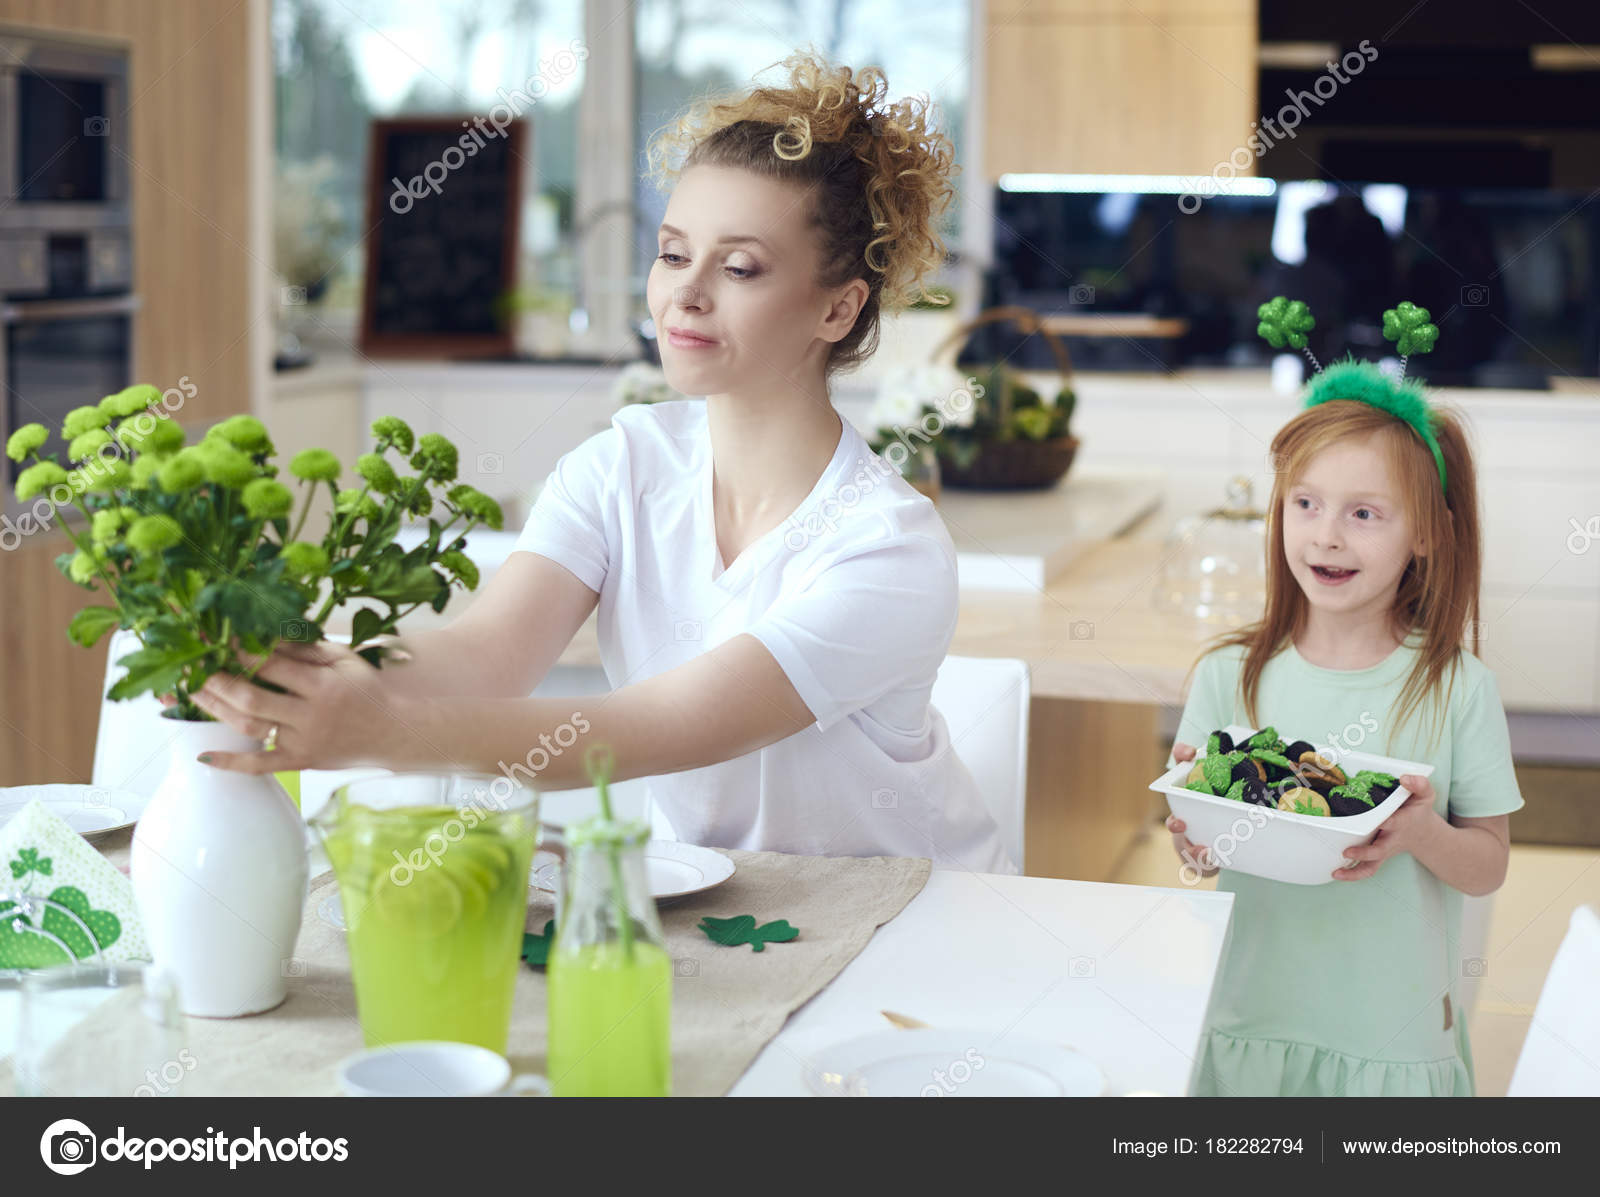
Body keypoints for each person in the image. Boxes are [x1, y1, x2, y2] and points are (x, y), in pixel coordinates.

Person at [188, 49, 1015, 875]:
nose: (684, 294)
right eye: (671, 252)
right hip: (721, 911)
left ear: (838, 308)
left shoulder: (887, 545)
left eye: (738, 267)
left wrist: (381, 732)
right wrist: (292, 671)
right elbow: (483, 657)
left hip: (913, 927)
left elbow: (652, 728)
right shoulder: (624, 463)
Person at [1165, 350, 1522, 1096]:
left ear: (1425, 535)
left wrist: (1421, 832)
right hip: (1252, 1020)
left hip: (1390, 1038)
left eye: (1364, 513)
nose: (1326, 535)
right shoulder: (1229, 675)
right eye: (1306, 503)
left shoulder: (1457, 688)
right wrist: (1195, 841)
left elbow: (1488, 865)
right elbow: (1202, 861)